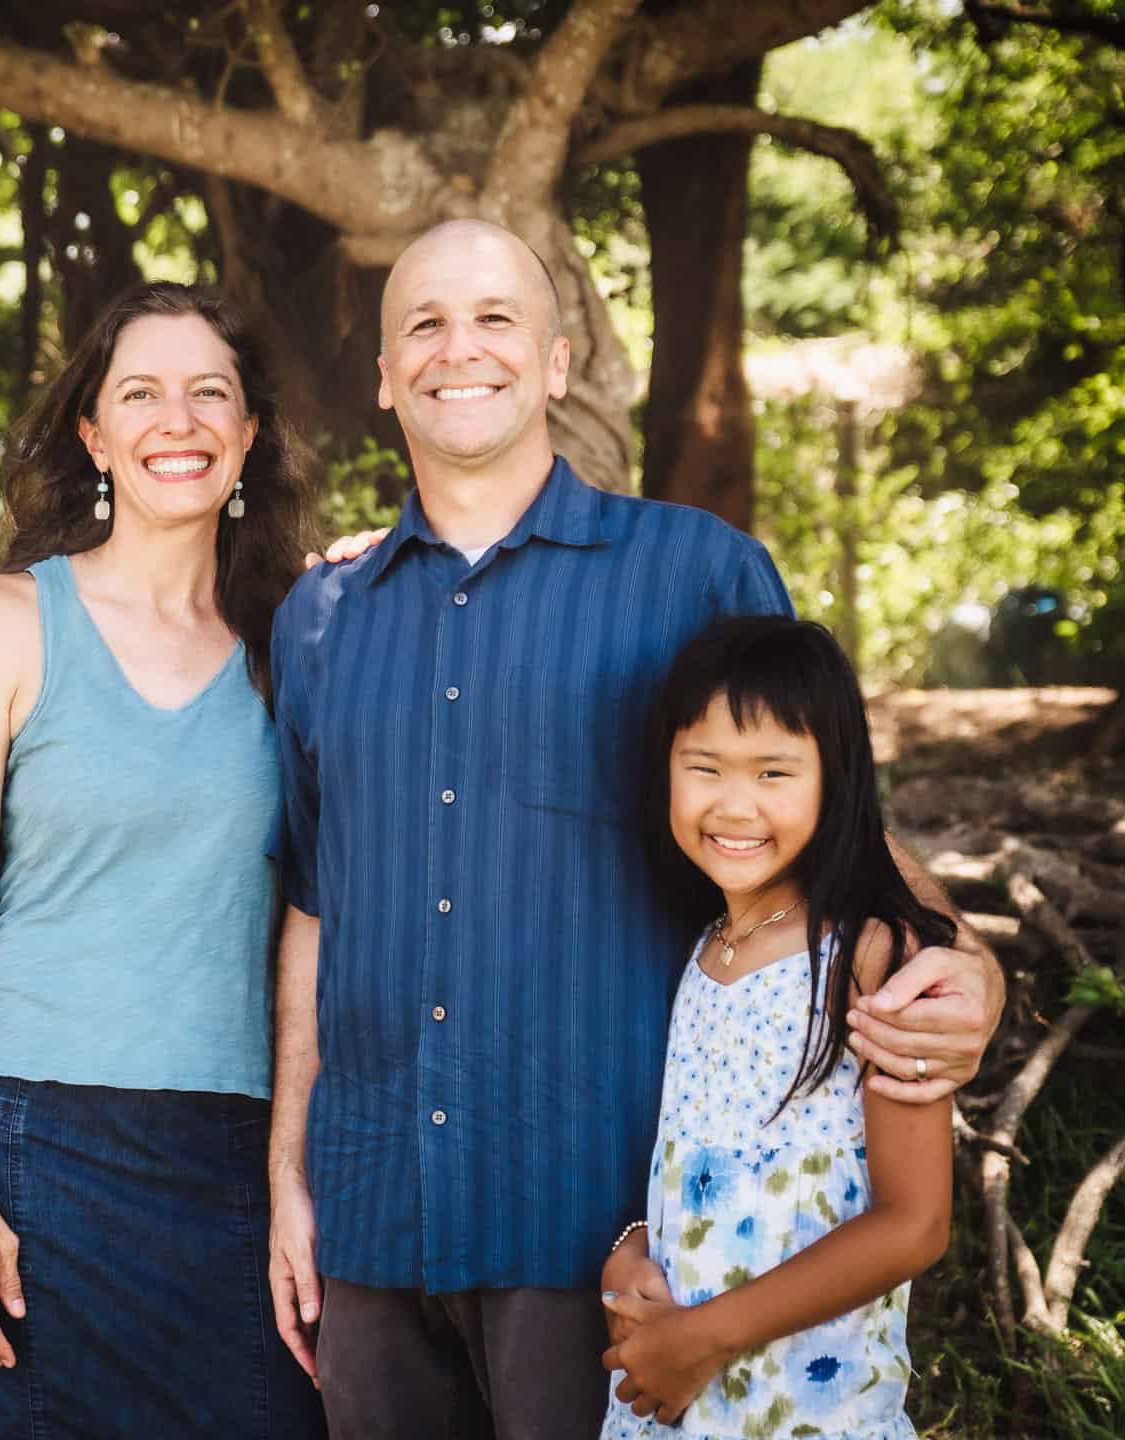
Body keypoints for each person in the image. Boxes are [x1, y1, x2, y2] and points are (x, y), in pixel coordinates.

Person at [264, 219, 1003, 1440]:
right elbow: (313, 907)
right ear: (383, 375)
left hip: (609, 1239)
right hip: (372, 1220)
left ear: (557, 361)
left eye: (497, 318)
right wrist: (291, 1173)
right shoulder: (318, 616)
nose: (463, 349)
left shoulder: (691, 572)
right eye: (424, 326)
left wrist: (962, 957)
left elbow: (824, 821)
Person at [0, 282, 328, 1437]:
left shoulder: (298, 641)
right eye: (140, 392)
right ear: (93, 434)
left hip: (227, 1161)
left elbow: (313, 921)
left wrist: (290, 1172)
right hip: (34, 1151)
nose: (177, 420)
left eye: (211, 394)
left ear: (249, 436)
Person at [599, 616, 953, 1437]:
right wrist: (632, 1246)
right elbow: (708, 1167)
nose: (734, 803)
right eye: (704, 768)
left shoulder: (872, 955)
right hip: (673, 1411)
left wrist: (702, 1337)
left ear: (837, 781)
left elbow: (915, 1222)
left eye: (773, 772)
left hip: (811, 1416)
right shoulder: (702, 950)